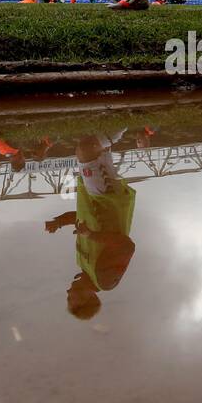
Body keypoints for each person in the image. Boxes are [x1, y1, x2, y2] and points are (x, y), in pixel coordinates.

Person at [44, 130, 137, 319]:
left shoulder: (83, 265)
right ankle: (129, 117)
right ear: (88, 299)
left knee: (97, 148)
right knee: (86, 149)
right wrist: (90, 235)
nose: (68, 292)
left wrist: (59, 222)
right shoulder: (106, 280)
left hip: (97, 201)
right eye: (71, 298)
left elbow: (85, 220)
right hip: (107, 202)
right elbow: (126, 246)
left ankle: (117, 118)